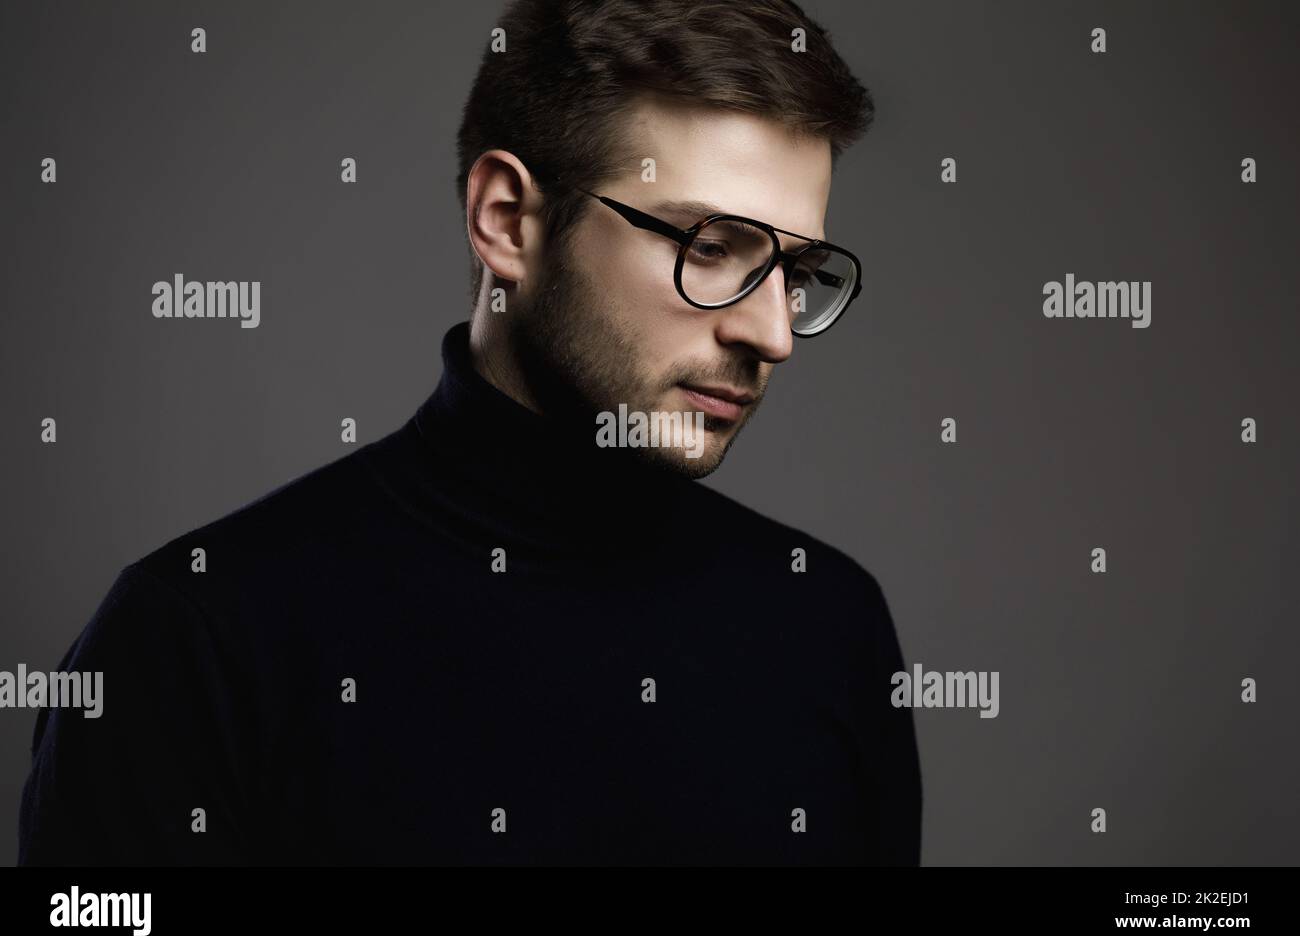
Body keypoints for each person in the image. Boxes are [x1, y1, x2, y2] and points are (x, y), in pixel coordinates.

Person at [18, 0, 921, 865]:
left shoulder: (828, 625)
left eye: (796, 271)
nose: (771, 335)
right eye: (713, 246)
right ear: (507, 221)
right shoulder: (194, 641)